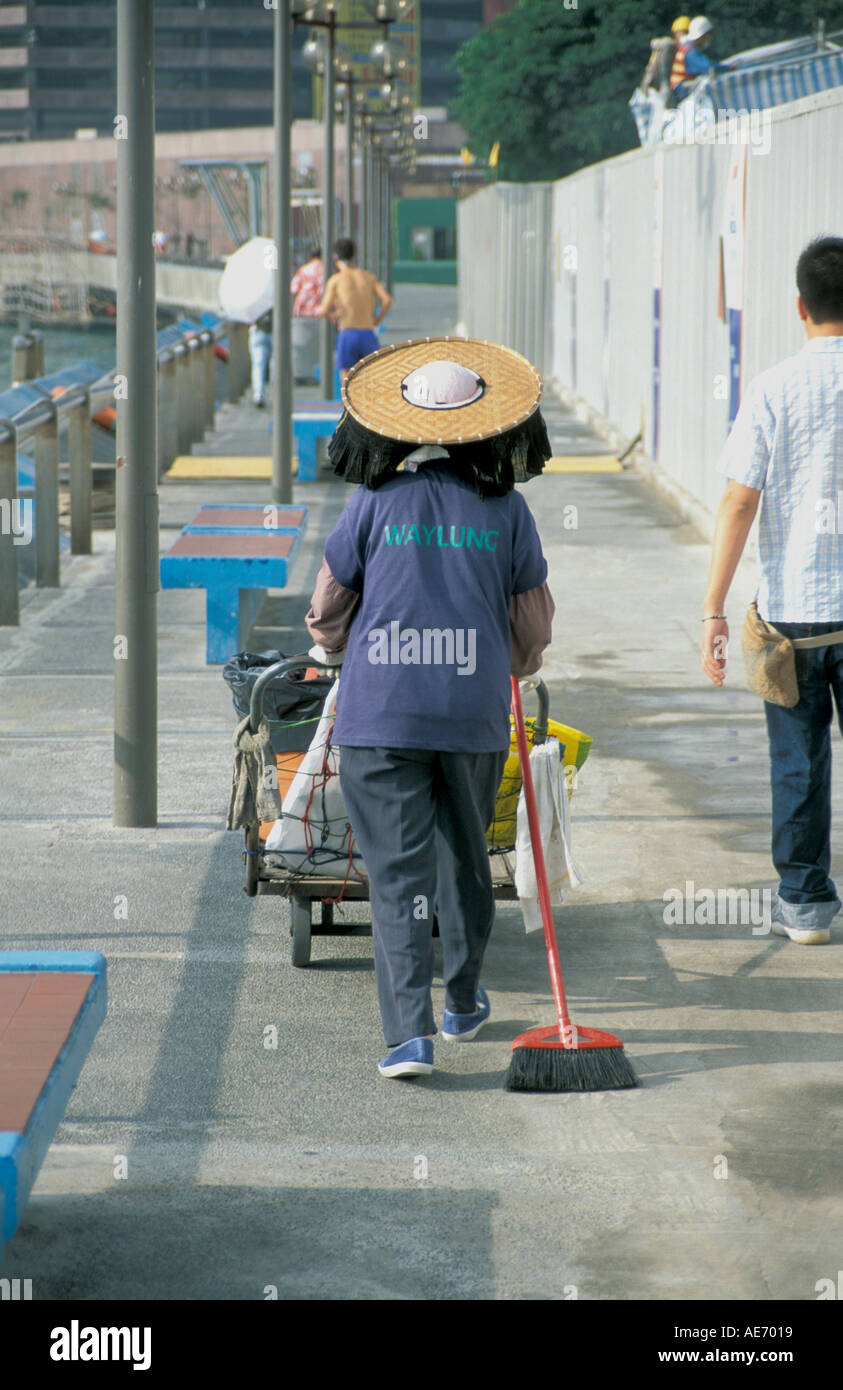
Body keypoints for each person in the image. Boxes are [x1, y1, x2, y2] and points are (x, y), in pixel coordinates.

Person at [304, 339, 555, 1077]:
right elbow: (533, 624)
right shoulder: (506, 510)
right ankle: (464, 999)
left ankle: (407, 1035)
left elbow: (326, 607)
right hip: (470, 711)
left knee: (397, 875)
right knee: (465, 856)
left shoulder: (373, 501)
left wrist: (339, 649)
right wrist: (508, 662)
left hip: (380, 714)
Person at [701, 236, 843, 947]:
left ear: (799, 306)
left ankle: (805, 905)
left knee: (797, 763)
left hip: (790, 618)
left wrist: (712, 610)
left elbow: (736, 503)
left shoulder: (770, 388)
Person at [315, 236, 393, 384]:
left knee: (346, 378)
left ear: (335, 257)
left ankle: (347, 406)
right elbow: (387, 300)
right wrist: (377, 320)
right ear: (355, 255)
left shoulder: (336, 280)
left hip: (347, 332)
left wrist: (333, 316)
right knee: (369, 378)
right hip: (367, 331)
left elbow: (323, 309)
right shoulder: (368, 277)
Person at [671, 15, 732, 100]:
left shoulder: (686, 47)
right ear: (701, 35)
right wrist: (728, 68)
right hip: (682, 90)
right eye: (706, 35)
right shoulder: (690, 52)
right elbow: (708, 67)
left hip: (680, 88)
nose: (708, 38)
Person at [642, 16, 689, 97]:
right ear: (676, 34)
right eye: (683, 32)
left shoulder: (679, 49)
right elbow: (663, 68)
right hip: (654, 86)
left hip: (657, 86)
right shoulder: (668, 45)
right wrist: (665, 86)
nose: (685, 36)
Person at [290, 244, 324, 317]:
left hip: (303, 309)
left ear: (310, 257)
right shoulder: (326, 270)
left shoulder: (303, 270)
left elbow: (294, 289)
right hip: (321, 310)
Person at [249, 308, 272, 408]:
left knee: (258, 365)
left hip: (257, 331)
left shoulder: (254, 303)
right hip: (274, 331)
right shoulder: (272, 299)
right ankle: (276, 393)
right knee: (276, 364)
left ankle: (258, 394)